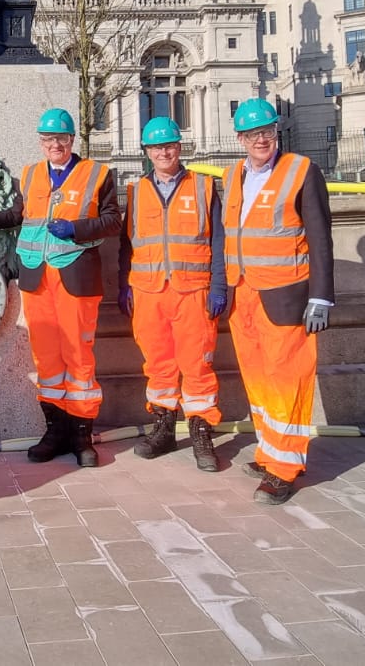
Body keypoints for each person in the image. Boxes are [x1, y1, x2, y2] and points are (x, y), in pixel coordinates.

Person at [0, 108, 121, 467]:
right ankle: (54, 431)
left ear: (71, 140)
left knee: (78, 355)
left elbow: (112, 221)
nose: (55, 145)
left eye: (61, 138)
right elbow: (17, 216)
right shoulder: (30, 175)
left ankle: (81, 435)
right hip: (37, 278)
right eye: (48, 139)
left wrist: (76, 229)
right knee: (46, 357)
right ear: (41, 143)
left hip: (76, 277)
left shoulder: (97, 174)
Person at [221, 99, 334, 505]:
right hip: (243, 294)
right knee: (259, 380)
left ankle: (285, 469)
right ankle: (269, 452)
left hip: (286, 295)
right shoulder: (232, 175)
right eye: (253, 134)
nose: (261, 140)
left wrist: (321, 297)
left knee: (288, 380)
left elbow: (320, 238)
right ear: (240, 139)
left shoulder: (302, 171)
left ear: (277, 132)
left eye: (267, 131)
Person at [118, 117, 227, 472]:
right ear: (147, 152)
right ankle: (163, 429)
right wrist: (124, 285)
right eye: (156, 147)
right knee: (158, 364)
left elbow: (219, 241)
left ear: (180, 147)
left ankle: (201, 432)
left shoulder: (203, 187)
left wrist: (219, 285)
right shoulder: (136, 191)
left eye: (169, 146)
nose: (163, 152)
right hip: (148, 292)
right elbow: (127, 245)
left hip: (193, 291)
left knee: (197, 364)